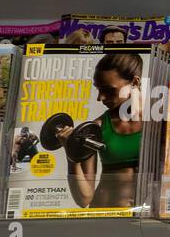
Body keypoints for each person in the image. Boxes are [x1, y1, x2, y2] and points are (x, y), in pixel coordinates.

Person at [59, 51, 144, 210]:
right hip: (106, 216)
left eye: (108, 90)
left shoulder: (162, 122)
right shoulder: (96, 128)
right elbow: (84, 198)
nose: (101, 98)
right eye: (98, 90)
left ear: (134, 82)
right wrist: (71, 154)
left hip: (147, 218)